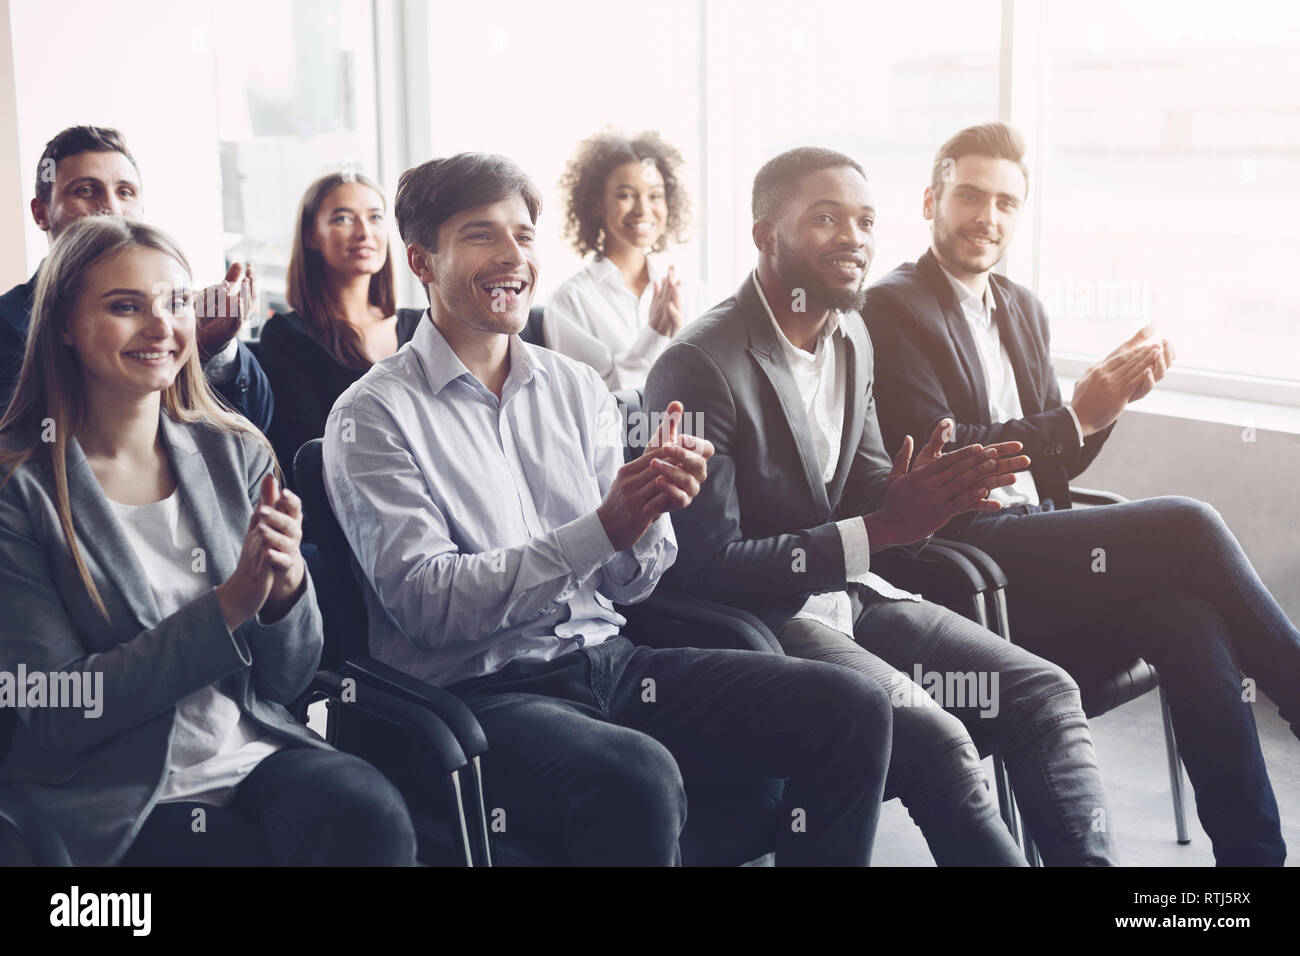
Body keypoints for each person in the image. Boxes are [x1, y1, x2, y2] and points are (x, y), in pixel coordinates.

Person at [324, 152, 894, 865]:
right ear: (421, 259)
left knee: (852, 707)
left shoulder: (575, 389)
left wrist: (651, 511)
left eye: (524, 235)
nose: (512, 256)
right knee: (637, 776)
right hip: (482, 696)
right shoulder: (372, 416)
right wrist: (600, 530)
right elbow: (428, 607)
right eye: (480, 235)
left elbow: (630, 584)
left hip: (610, 664)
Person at [646, 146, 1118, 866]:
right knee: (937, 738)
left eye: (865, 221)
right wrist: (881, 526)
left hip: (854, 594)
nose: (854, 238)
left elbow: (868, 489)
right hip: (766, 618)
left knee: (1044, 692)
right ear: (765, 234)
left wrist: (921, 496)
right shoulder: (701, 362)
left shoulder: (852, 337)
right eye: (825, 218)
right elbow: (706, 566)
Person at [862, 121, 1298, 866]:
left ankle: (1253, 864)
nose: (986, 217)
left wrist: (1105, 408)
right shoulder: (890, 307)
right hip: (968, 560)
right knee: (1189, 524)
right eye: (969, 195)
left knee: (1186, 618)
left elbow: (1055, 460)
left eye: (1005, 202)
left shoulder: (1023, 306)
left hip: (1046, 548)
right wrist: (1074, 415)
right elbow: (940, 452)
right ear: (932, 198)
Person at [0, 216, 416, 866]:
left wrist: (283, 595)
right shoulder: (20, 494)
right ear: (62, 325)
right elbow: (55, 709)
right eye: (123, 306)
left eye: (173, 303)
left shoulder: (237, 454)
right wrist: (226, 607)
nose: (161, 326)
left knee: (371, 814)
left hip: (251, 753)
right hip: (117, 793)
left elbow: (286, 679)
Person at [0, 125, 273, 431]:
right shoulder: (7, 324)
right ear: (41, 213)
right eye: (86, 190)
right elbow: (30, 440)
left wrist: (212, 350)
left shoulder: (176, 312)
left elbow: (254, 425)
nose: (112, 209)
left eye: (125, 192)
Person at [257, 171, 422, 472]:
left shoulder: (425, 325)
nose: (364, 232)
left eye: (374, 217)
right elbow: (308, 451)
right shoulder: (287, 336)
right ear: (311, 236)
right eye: (343, 219)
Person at [543, 130, 704, 389]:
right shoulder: (571, 300)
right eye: (626, 195)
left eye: (655, 196)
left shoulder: (690, 291)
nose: (643, 209)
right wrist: (654, 335)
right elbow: (592, 401)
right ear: (596, 204)